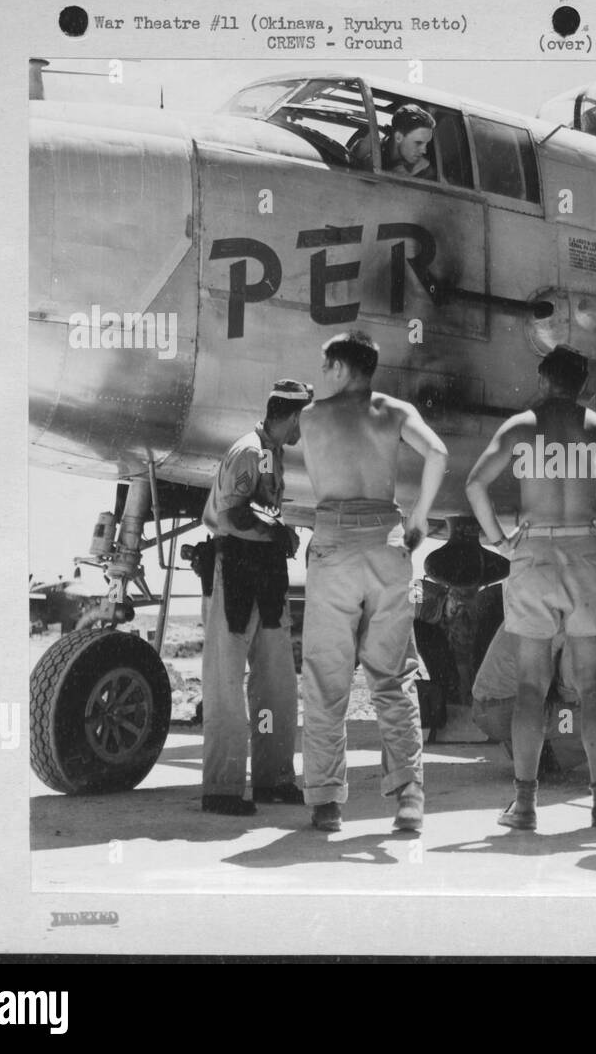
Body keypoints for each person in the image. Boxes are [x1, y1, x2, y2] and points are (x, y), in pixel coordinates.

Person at [464, 345, 596, 830]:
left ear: (542, 378)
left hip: (534, 555)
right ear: (584, 383)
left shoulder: (521, 427)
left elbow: (475, 485)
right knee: (593, 686)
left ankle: (524, 805)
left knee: (528, 687)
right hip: (587, 556)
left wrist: (500, 541)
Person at [299, 331, 449, 833]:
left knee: (327, 680)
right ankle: (409, 798)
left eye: (326, 368)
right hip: (388, 540)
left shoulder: (311, 417)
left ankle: (325, 802)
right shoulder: (396, 411)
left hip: (333, 541)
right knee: (392, 675)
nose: (323, 377)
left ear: (340, 368)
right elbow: (439, 454)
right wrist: (420, 519)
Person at [199, 380, 313, 815]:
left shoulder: (273, 451)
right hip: (238, 568)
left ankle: (274, 780)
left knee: (277, 680)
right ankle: (223, 789)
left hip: (266, 571)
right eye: (307, 418)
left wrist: (275, 535)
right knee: (226, 683)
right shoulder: (249, 450)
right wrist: (276, 532)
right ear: (294, 415)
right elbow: (230, 515)